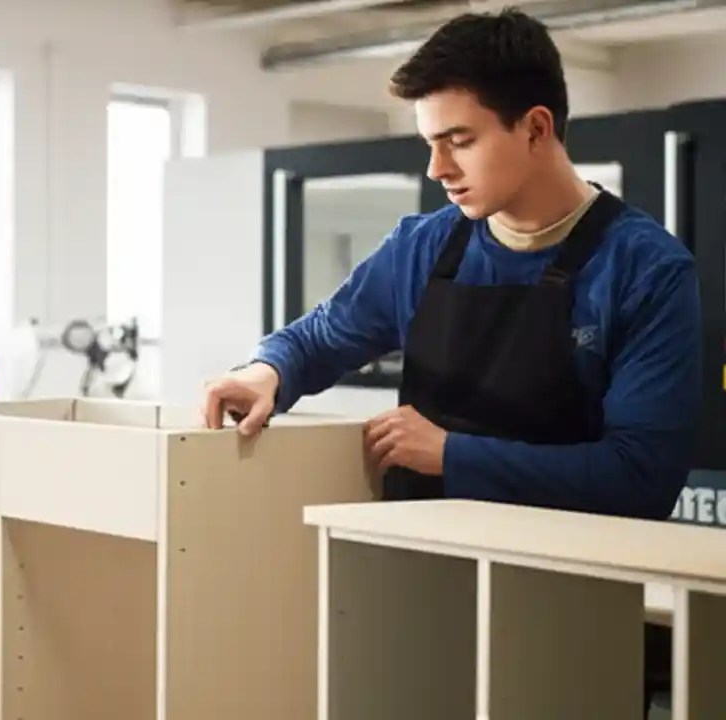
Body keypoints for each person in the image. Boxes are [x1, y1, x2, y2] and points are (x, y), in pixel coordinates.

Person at [200, 7, 700, 715]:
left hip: (568, 613)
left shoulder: (646, 271)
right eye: (431, 144)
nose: (437, 169)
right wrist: (267, 372)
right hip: (413, 598)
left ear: (535, 128)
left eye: (458, 141)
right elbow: (322, 336)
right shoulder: (424, 246)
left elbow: (640, 478)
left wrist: (452, 455)